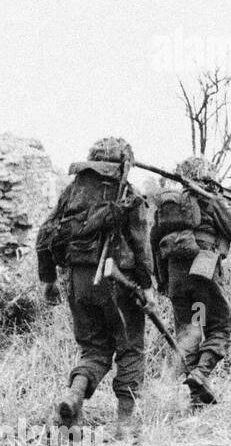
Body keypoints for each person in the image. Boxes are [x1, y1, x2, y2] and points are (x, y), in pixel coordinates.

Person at [36, 137, 153, 425]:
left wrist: (49, 280)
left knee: (94, 349)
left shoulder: (73, 190)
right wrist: (148, 287)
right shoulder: (128, 194)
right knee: (130, 347)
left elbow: (44, 234)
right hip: (118, 281)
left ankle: (74, 396)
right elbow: (141, 245)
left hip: (77, 279)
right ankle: (125, 424)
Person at [150, 156, 231, 409]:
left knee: (189, 332)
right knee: (220, 324)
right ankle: (201, 373)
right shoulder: (209, 200)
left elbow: (154, 243)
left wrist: (162, 281)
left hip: (176, 277)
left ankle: (197, 396)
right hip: (203, 271)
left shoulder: (169, 206)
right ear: (209, 176)